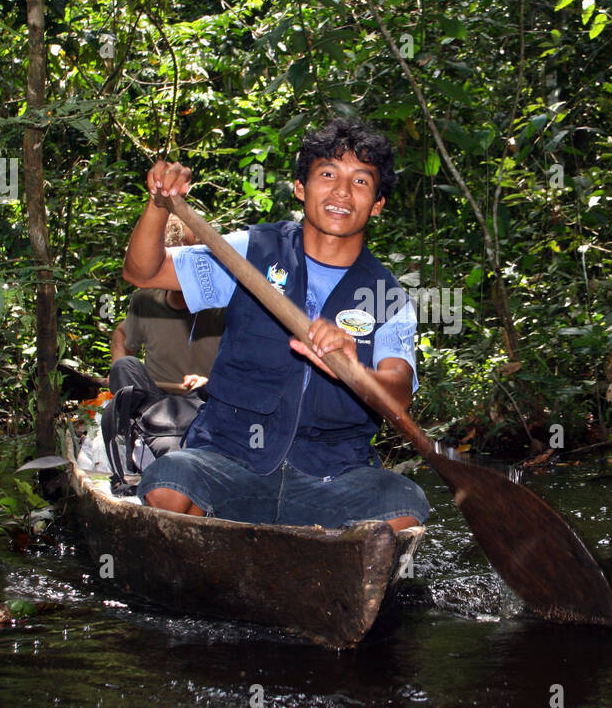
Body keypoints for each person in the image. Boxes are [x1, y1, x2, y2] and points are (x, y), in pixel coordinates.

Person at [120, 118, 430, 532]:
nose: (341, 191)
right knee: (168, 484)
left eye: (360, 181)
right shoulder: (253, 250)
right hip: (231, 458)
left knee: (405, 504)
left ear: (376, 204)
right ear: (301, 189)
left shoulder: (388, 297)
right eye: (327, 175)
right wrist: (158, 206)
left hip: (330, 475)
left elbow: (397, 395)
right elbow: (144, 271)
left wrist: (356, 370)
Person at [109, 214, 224, 404]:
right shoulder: (146, 300)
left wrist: (213, 384)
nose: (176, 271)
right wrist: (120, 377)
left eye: (182, 261)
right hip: (155, 405)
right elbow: (122, 336)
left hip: (208, 404)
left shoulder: (222, 304)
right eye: (168, 262)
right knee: (124, 366)